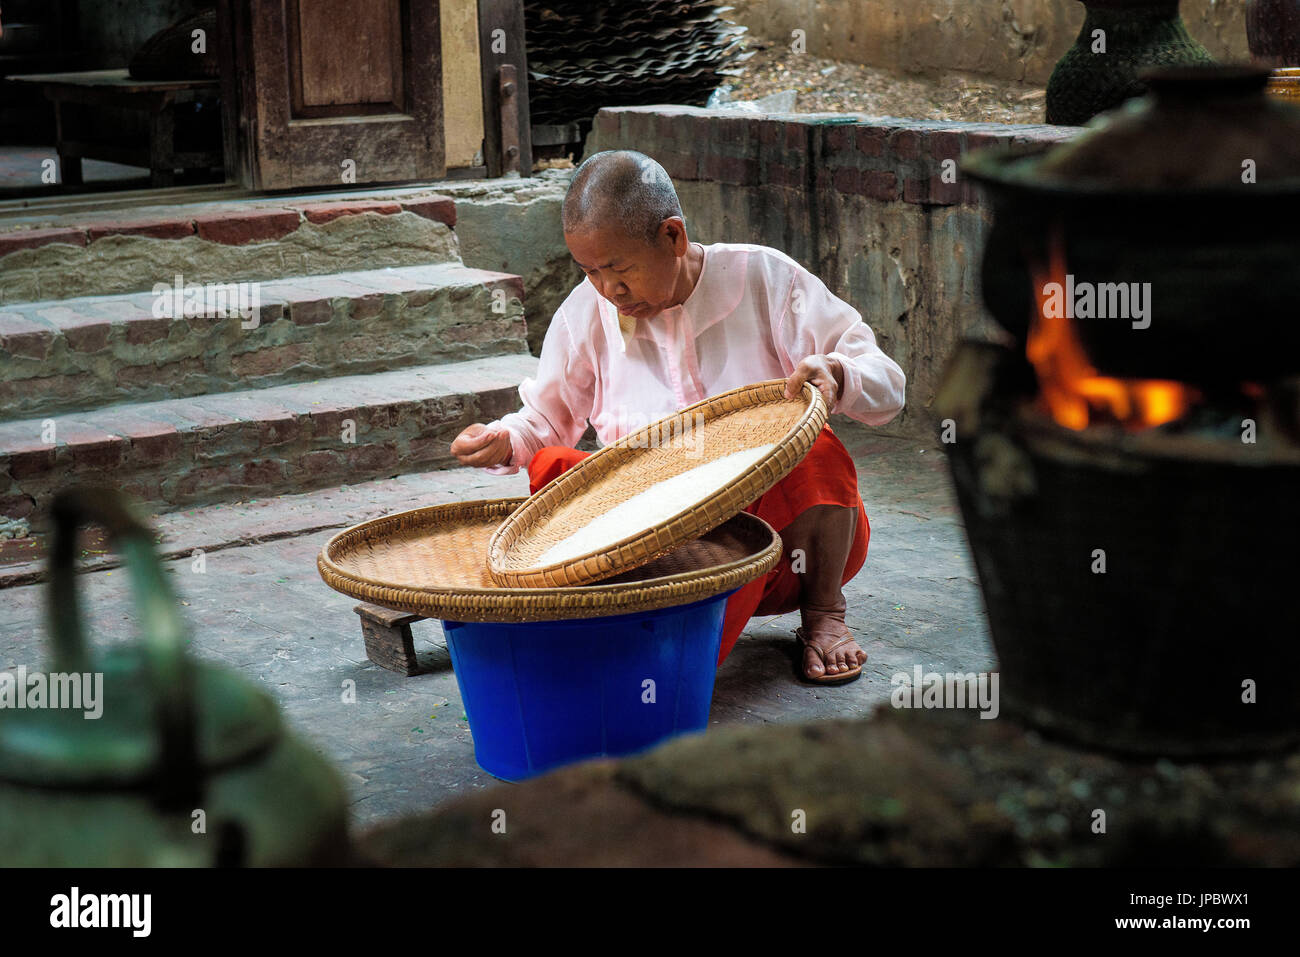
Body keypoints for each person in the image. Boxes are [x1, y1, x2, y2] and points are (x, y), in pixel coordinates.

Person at [451, 150, 905, 683]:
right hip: (655, 549)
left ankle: (825, 615)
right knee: (554, 465)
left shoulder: (764, 277)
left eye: (620, 270)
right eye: (591, 271)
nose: (608, 291)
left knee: (817, 450)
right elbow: (544, 424)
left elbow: (888, 385)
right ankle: (647, 623)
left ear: (673, 236)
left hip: (781, 549)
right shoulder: (585, 311)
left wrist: (838, 375)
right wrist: (504, 440)